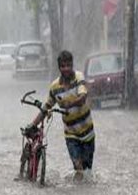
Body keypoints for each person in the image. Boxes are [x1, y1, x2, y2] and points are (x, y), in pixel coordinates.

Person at [29, 50, 95, 182]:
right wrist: (33, 124)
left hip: (88, 133)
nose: (66, 69)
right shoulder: (55, 87)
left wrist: (69, 104)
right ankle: (78, 187)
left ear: (72, 65)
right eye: (63, 66)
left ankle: (85, 188)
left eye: (68, 65)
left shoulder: (79, 78)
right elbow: (47, 107)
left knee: (87, 171)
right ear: (59, 67)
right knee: (78, 168)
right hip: (71, 135)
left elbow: (83, 97)